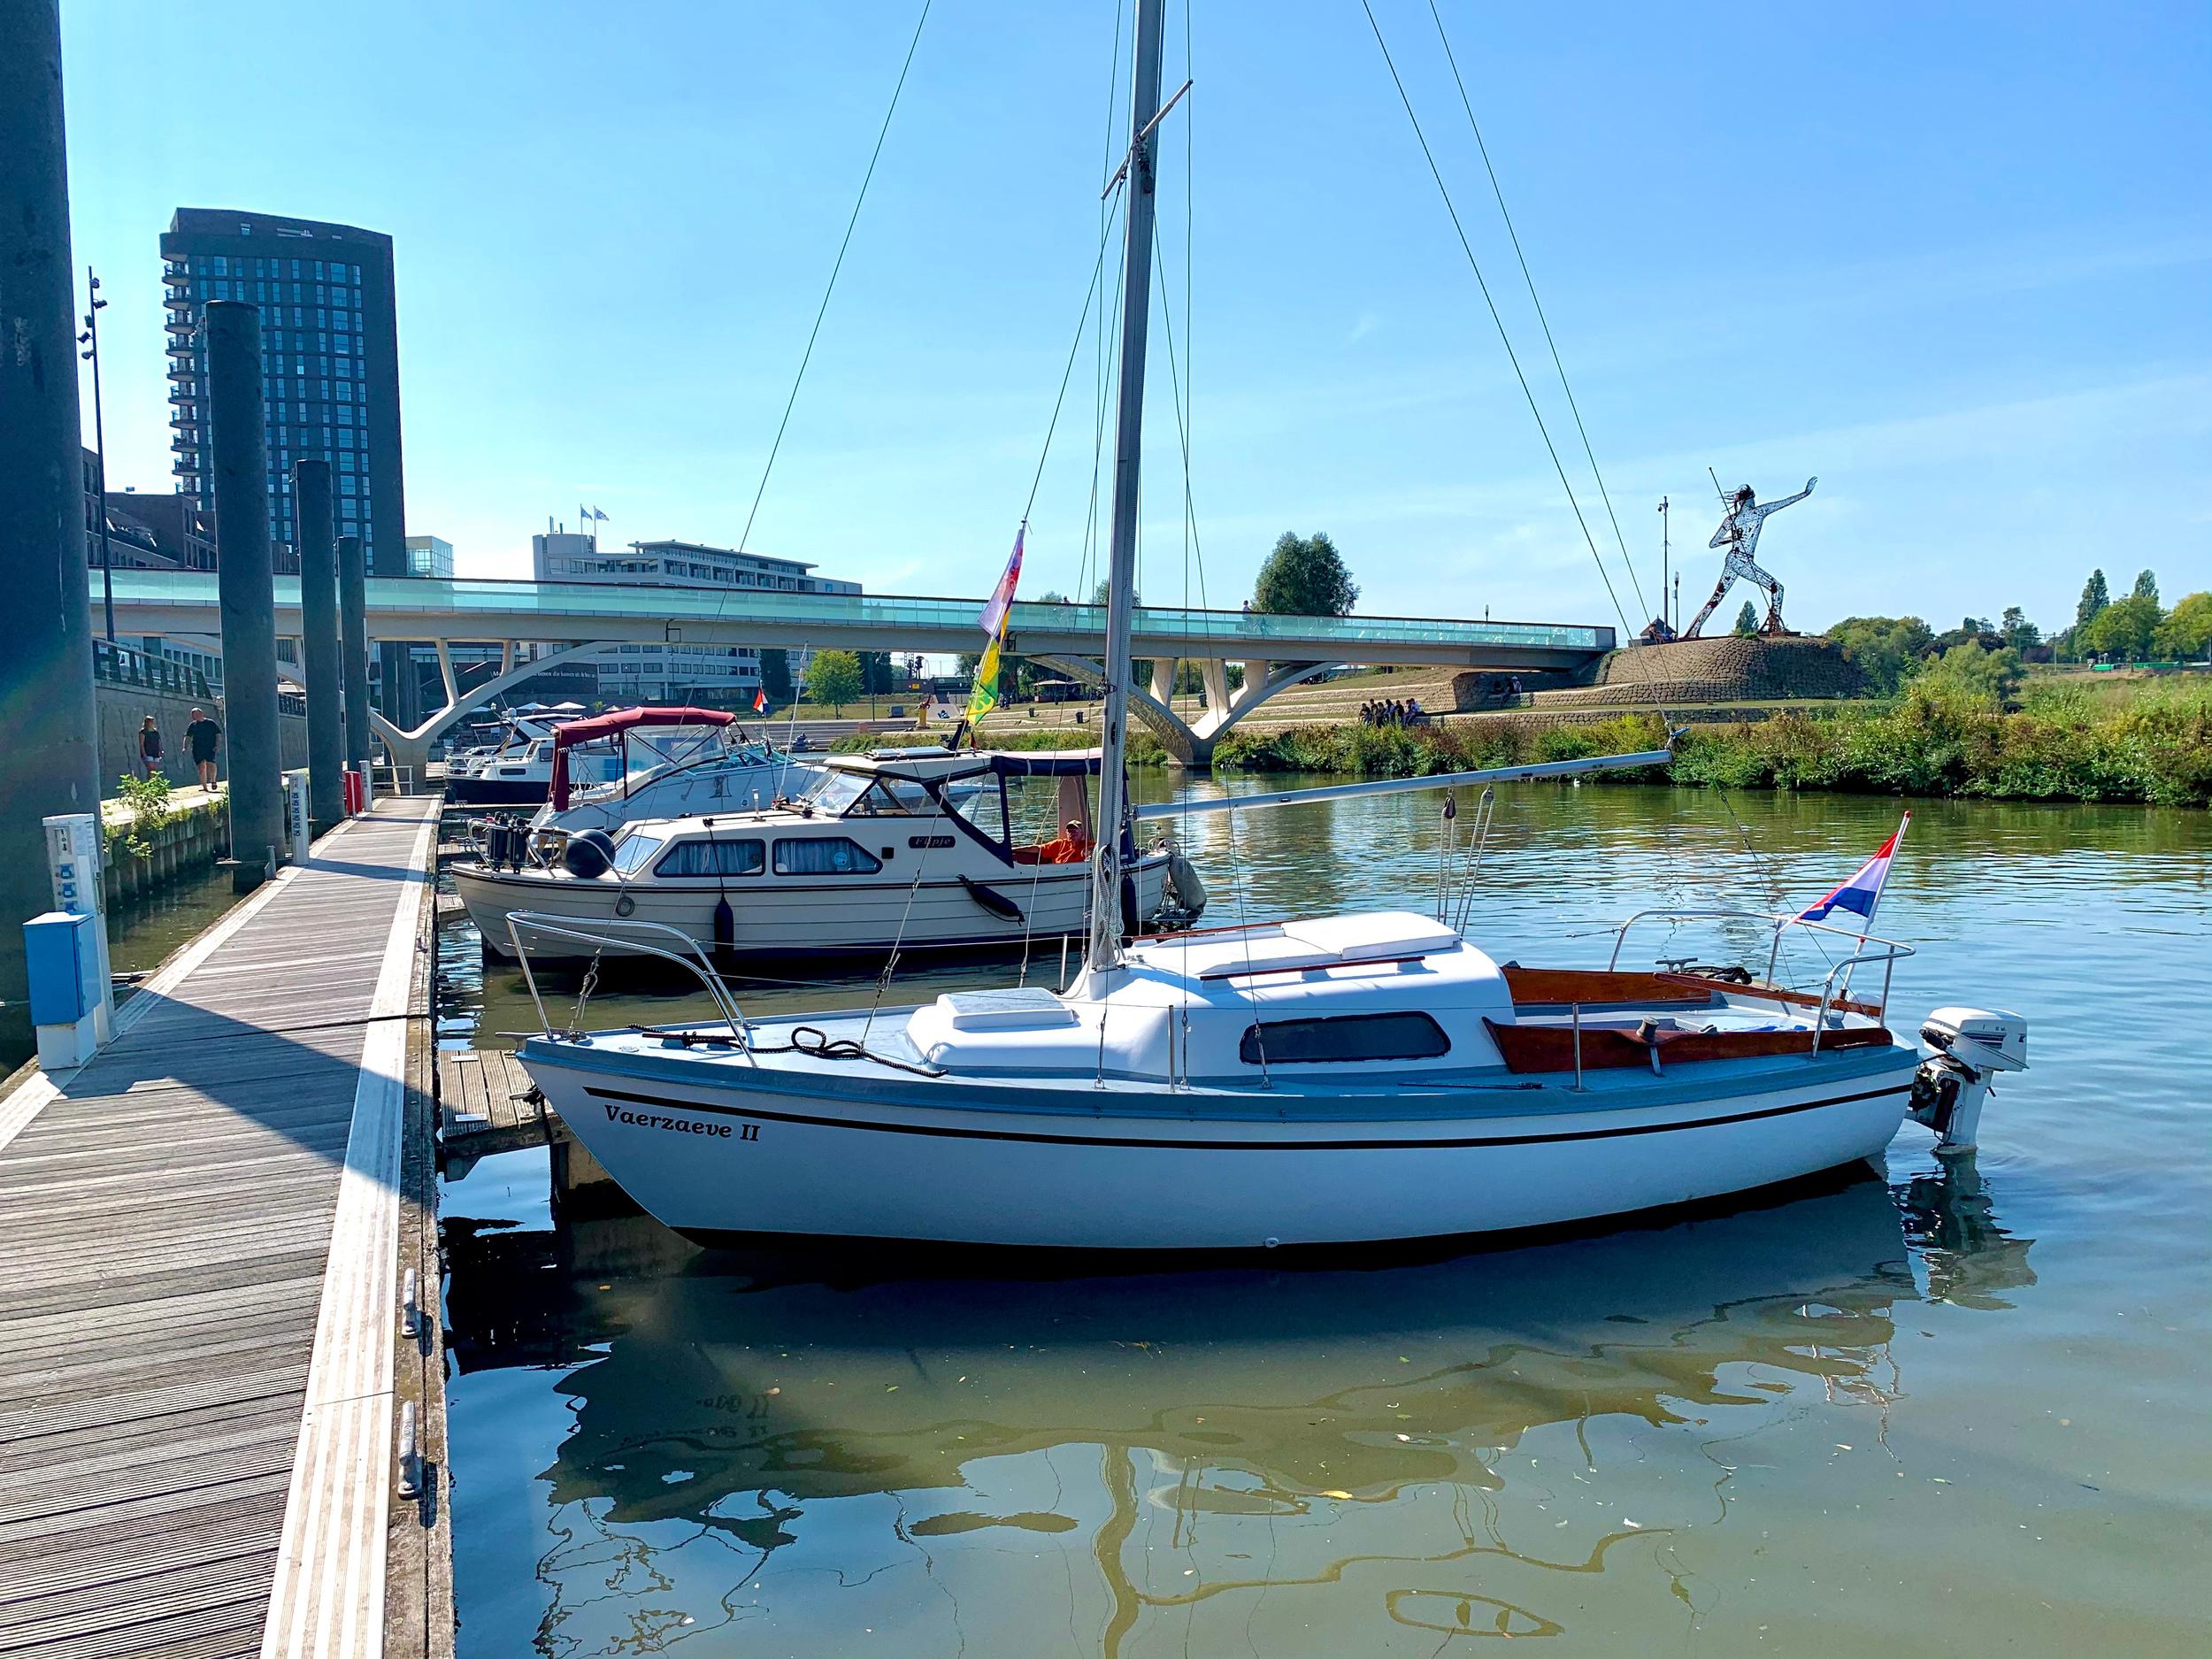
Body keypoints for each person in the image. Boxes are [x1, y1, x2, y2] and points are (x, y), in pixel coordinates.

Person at [184, 707, 221, 789]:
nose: (194, 716)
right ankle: (204, 787)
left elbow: (218, 734)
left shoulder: (211, 723)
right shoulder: (192, 725)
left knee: (211, 763)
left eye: (196, 714)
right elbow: (188, 736)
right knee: (201, 766)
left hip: (210, 747)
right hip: (197, 748)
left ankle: (213, 781)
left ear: (201, 714)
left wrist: (217, 745)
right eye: (193, 715)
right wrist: (185, 747)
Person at [137, 716, 164, 780]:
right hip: (147, 752)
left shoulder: (155, 732)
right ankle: (150, 783)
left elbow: (158, 742)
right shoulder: (143, 732)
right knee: (150, 769)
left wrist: (160, 750)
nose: (152, 723)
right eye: (151, 722)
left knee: (154, 770)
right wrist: (144, 754)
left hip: (155, 752)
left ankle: (153, 783)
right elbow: (141, 744)